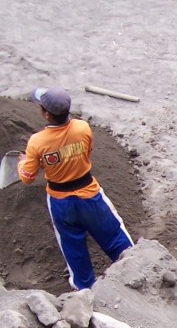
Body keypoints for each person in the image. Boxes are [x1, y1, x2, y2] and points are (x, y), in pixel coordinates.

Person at [18, 86, 133, 290]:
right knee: (115, 237)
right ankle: (135, 271)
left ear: (46, 114)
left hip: (61, 201)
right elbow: (86, 152)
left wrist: (22, 162)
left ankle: (85, 291)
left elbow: (27, 177)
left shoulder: (37, 143)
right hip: (89, 193)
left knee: (74, 249)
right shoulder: (83, 128)